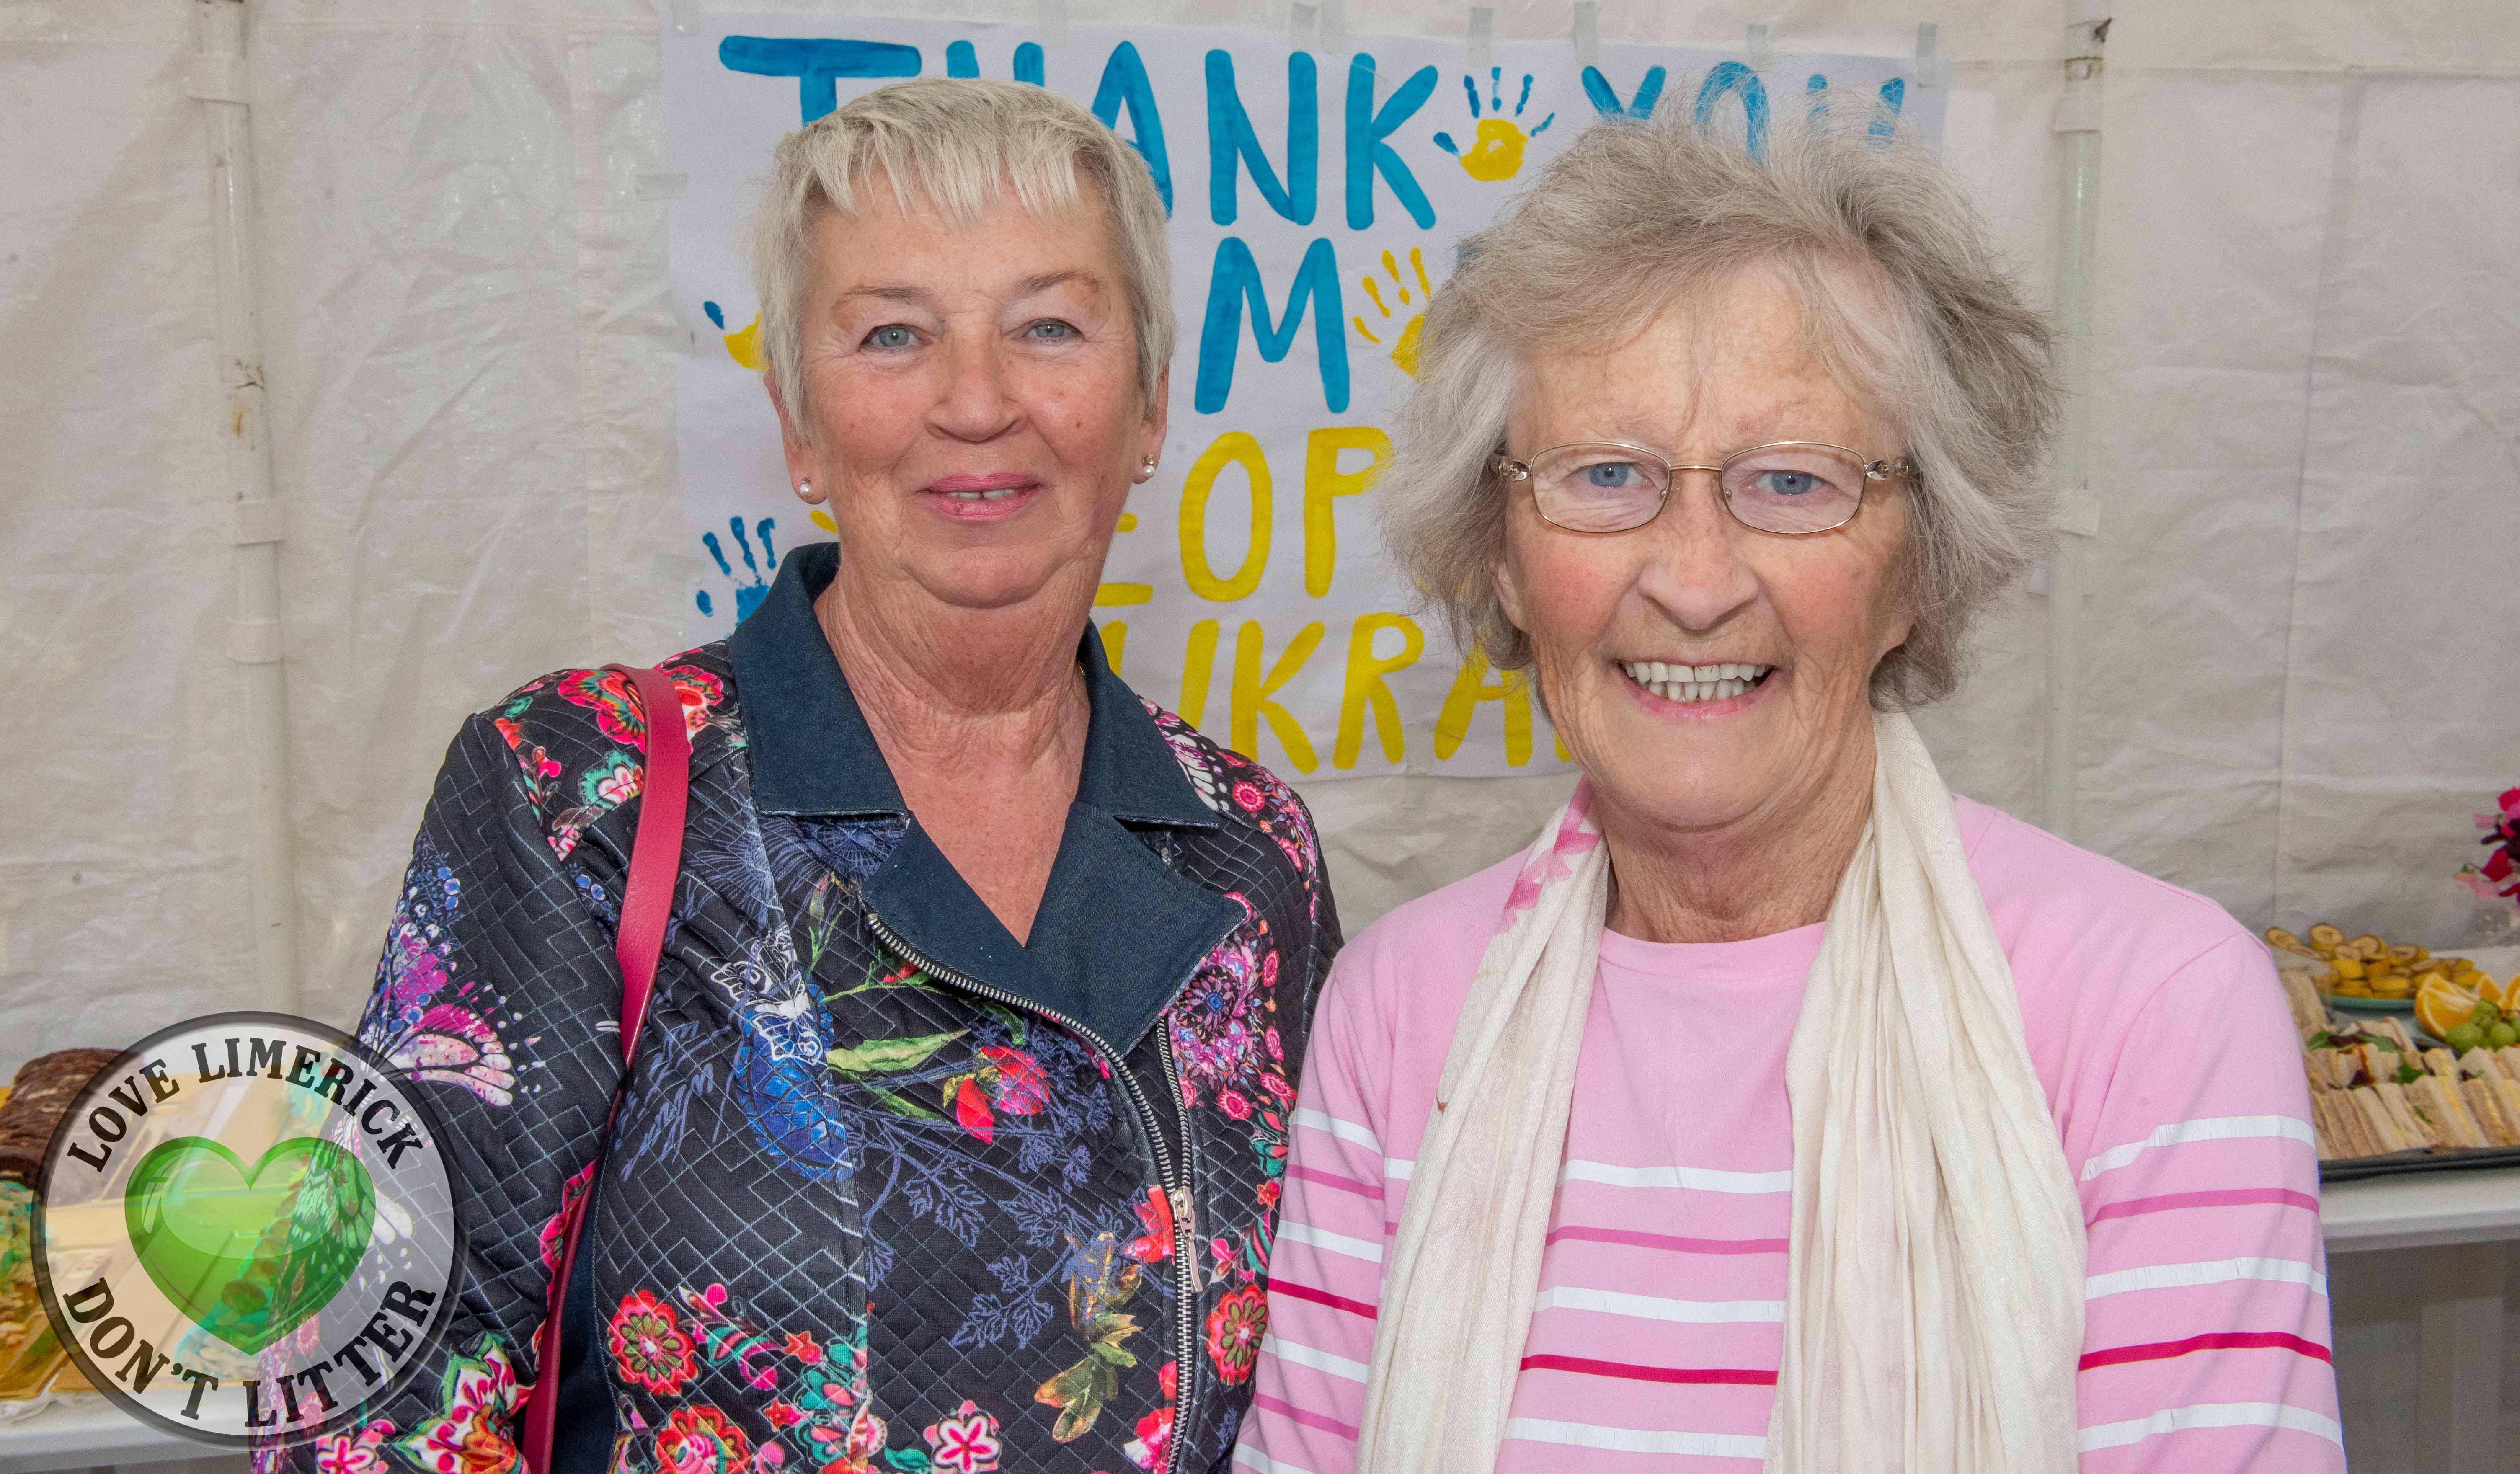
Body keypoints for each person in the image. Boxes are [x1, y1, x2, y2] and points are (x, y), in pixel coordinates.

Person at [1239, 120, 2340, 1474]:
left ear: (1920, 562)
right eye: (1605, 475)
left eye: (1792, 482)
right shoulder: (1398, 1014)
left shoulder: (2152, 1011)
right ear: (1506, 560)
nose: (1696, 582)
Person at [309, 80, 1339, 1474]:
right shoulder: (582, 793)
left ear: (1148, 408)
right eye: (893, 335)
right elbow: (384, 1377)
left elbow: (1337, 1376)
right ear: (798, 428)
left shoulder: (1247, 851)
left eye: (1048, 326)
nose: (977, 402)